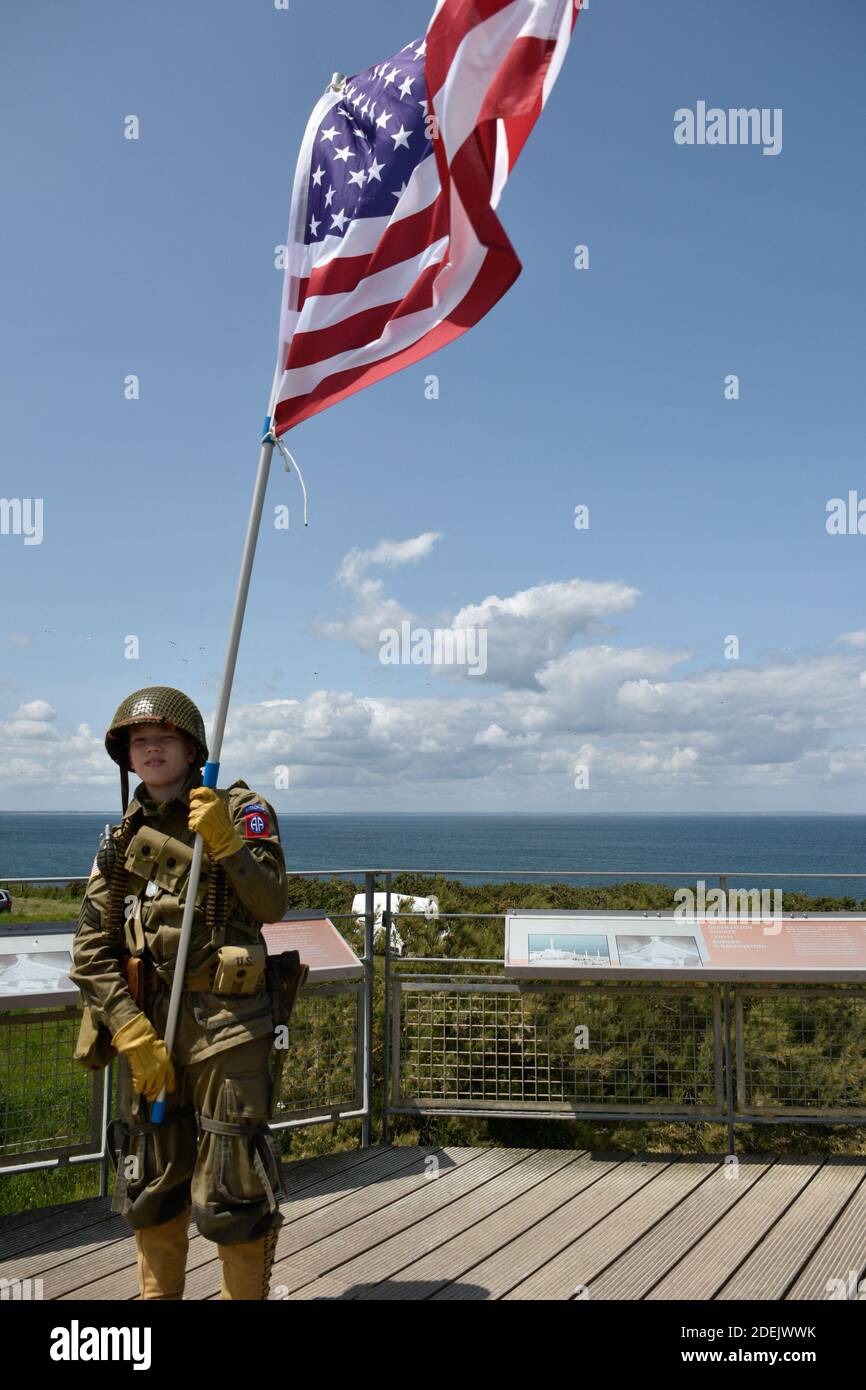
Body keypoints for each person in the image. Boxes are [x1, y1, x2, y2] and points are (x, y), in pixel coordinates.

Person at [70, 685, 293, 1300]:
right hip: (151, 1032)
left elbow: (271, 905)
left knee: (234, 1188)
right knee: (152, 1186)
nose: (150, 749)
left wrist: (227, 843)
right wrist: (130, 1031)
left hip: (230, 1025)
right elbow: (90, 949)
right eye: (139, 742)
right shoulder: (120, 840)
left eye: (162, 739)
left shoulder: (242, 810)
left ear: (193, 748)